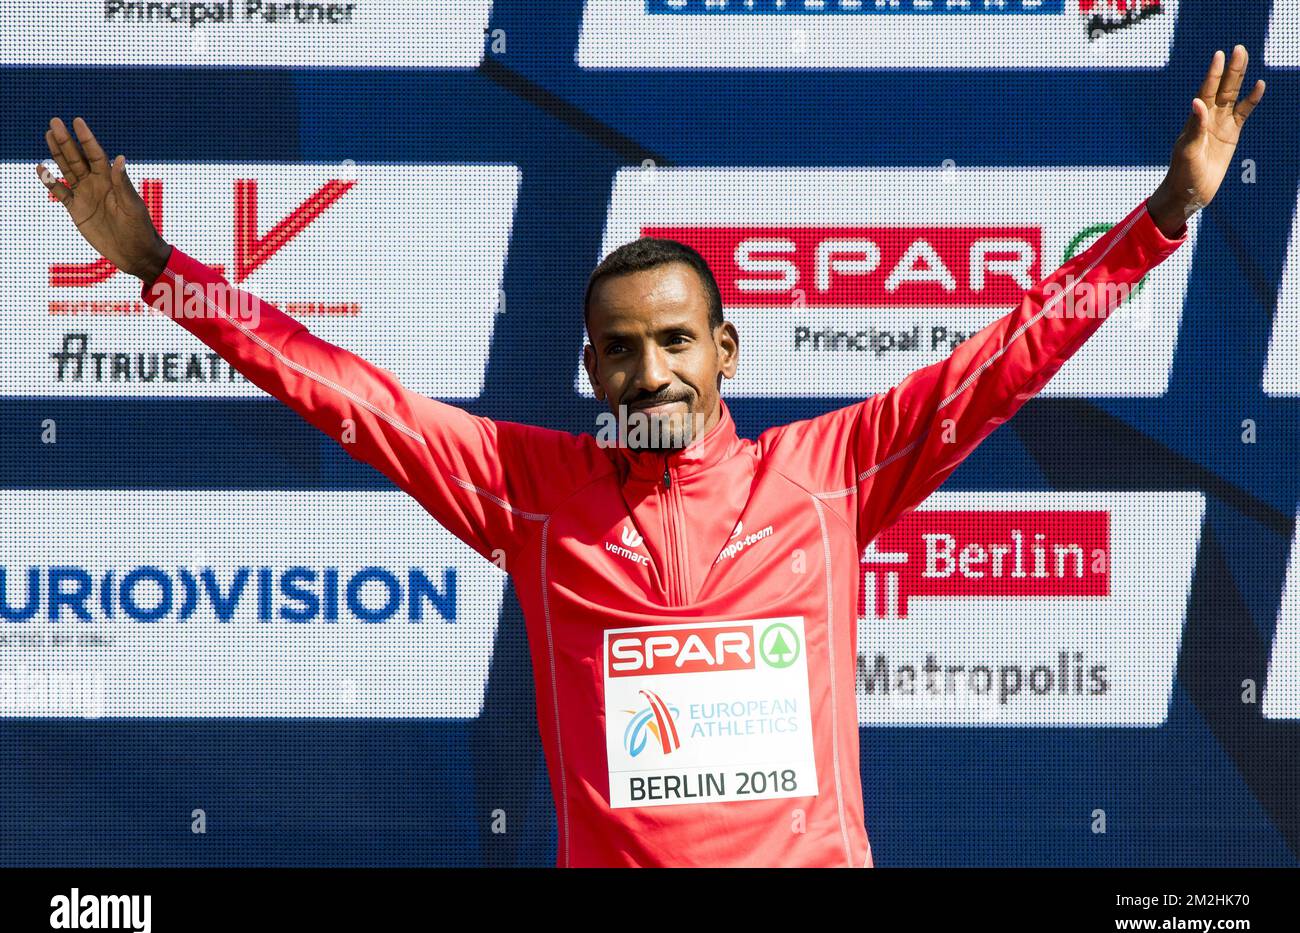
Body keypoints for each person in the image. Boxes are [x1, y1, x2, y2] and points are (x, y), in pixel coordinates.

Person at [36, 47, 1264, 867]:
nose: (651, 371)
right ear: (590, 370)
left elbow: (1009, 356)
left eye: (676, 341)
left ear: (723, 349)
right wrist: (157, 269)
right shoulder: (528, 489)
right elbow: (342, 391)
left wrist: (1162, 216)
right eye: (620, 351)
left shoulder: (830, 469)